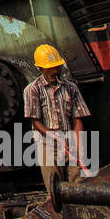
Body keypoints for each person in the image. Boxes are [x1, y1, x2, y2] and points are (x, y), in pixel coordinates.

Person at [23, 44, 91, 197]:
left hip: (69, 140)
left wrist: (78, 145)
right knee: (56, 190)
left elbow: (77, 118)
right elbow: (36, 122)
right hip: (47, 144)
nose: (55, 72)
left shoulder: (71, 88)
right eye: (50, 69)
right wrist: (55, 136)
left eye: (57, 68)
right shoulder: (32, 90)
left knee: (79, 184)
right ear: (40, 69)